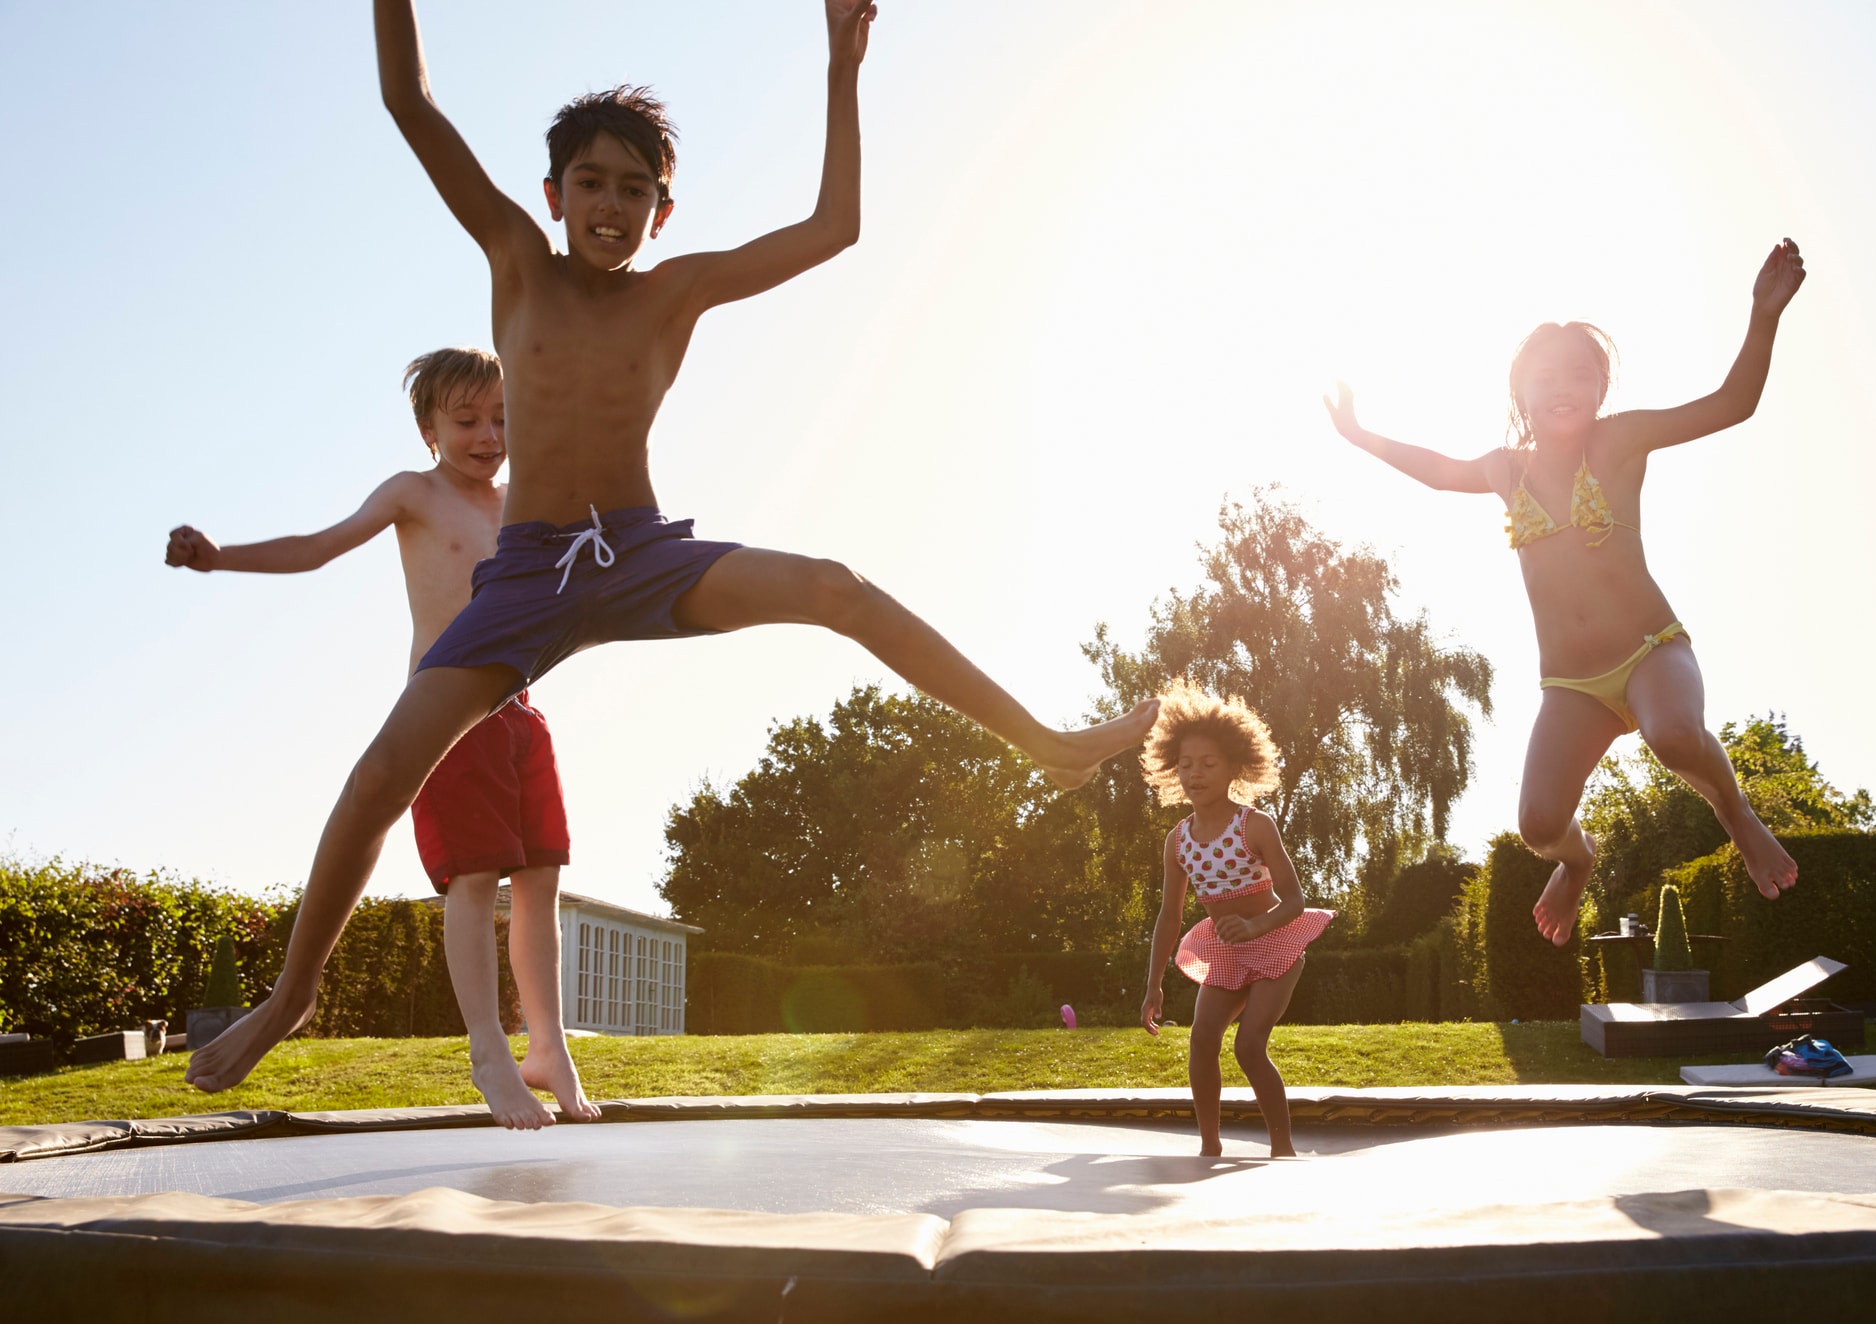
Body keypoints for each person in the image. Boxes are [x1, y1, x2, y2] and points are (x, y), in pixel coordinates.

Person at [184, 0, 1156, 1094]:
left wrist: (840, 66)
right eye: (590, 183)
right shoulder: (516, 261)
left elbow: (833, 229)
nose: (611, 205)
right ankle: (292, 995)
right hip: (528, 572)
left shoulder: (677, 289)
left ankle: (1044, 741)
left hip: (638, 553)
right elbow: (408, 101)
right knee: (377, 777)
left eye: (634, 190)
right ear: (553, 197)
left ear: (662, 208)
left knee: (837, 587)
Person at [1324, 240, 1808, 945]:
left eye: (1581, 374)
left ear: (1600, 390)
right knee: (1538, 824)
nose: (1564, 386)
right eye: (1545, 375)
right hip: (1573, 686)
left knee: (1675, 736)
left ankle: (1734, 813)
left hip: (1650, 651)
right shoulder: (1505, 470)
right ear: (1519, 391)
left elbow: (1732, 404)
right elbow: (1437, 470)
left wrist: (1763, 314)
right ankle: (1578, 862)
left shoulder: (1619, 442)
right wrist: (1360, 435)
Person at [167, 349, 596, 1128]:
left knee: (541, 879)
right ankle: (488, 1053)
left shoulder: (524, 505)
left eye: (502, 419)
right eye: (466, 421)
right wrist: (221, 559)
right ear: (428, 429)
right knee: (474, 879)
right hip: (447, 716)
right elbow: (318, 546)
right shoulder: (414, 493)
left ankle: (549, 1046)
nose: (487, 435)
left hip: (522, 713)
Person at [1138, 681, 1332, 1158]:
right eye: (1186, 764)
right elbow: (1169, 916)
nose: (1195, 773)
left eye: (1208, 764)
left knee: (1248, 1046)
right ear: (1172, 769)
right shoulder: (1177, 841)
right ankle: (1210, 1147)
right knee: (1202, 1040)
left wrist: (1254, 927)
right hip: (1225, 950)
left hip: (1274, 941)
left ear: (1233, 767)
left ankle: (1283, 1149)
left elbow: (1294, 901)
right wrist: (1154, 984)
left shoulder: (1255, 825)